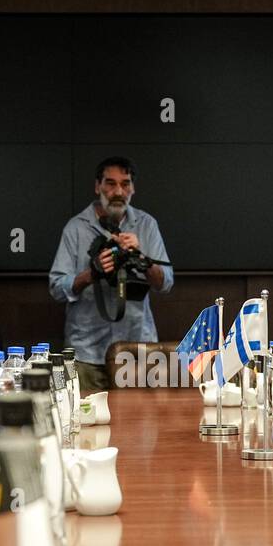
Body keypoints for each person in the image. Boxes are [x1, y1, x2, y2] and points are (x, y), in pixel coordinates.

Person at [48, 156, 173, 392]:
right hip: (87, 351)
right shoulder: (76, 227)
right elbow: (56, 287)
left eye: (125, 184)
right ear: (98, 186)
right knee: (85, 423)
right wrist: (91, 273)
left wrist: (142, 259)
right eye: (110, 183)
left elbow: (165, 283)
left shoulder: (147, 225)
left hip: (136, 349)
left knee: (139, 425)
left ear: (133, 188)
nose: (118, 191)